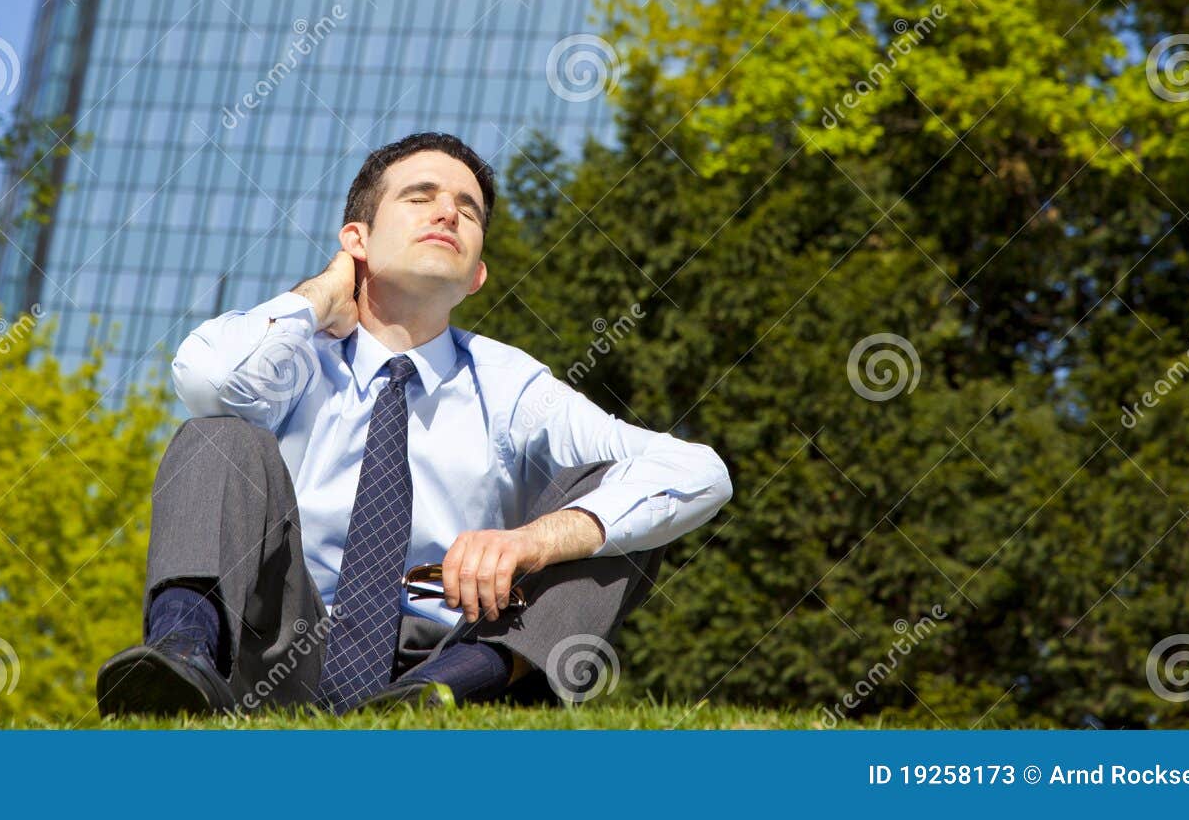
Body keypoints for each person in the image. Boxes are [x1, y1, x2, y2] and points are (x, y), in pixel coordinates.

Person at [96, 131, 732, 717]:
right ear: (358, 239)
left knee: (617, 509)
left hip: (453, 658)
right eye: (420, 197)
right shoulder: (292, 358)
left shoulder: (510, 384)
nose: (448, 213)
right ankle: (179, 660)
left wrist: (533, 541)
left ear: (477, 274)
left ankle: (439, 695)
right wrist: (323, 292)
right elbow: (207, 380)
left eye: (468, 209)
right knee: (218, 436)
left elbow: (698, 471)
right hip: (278, 656)